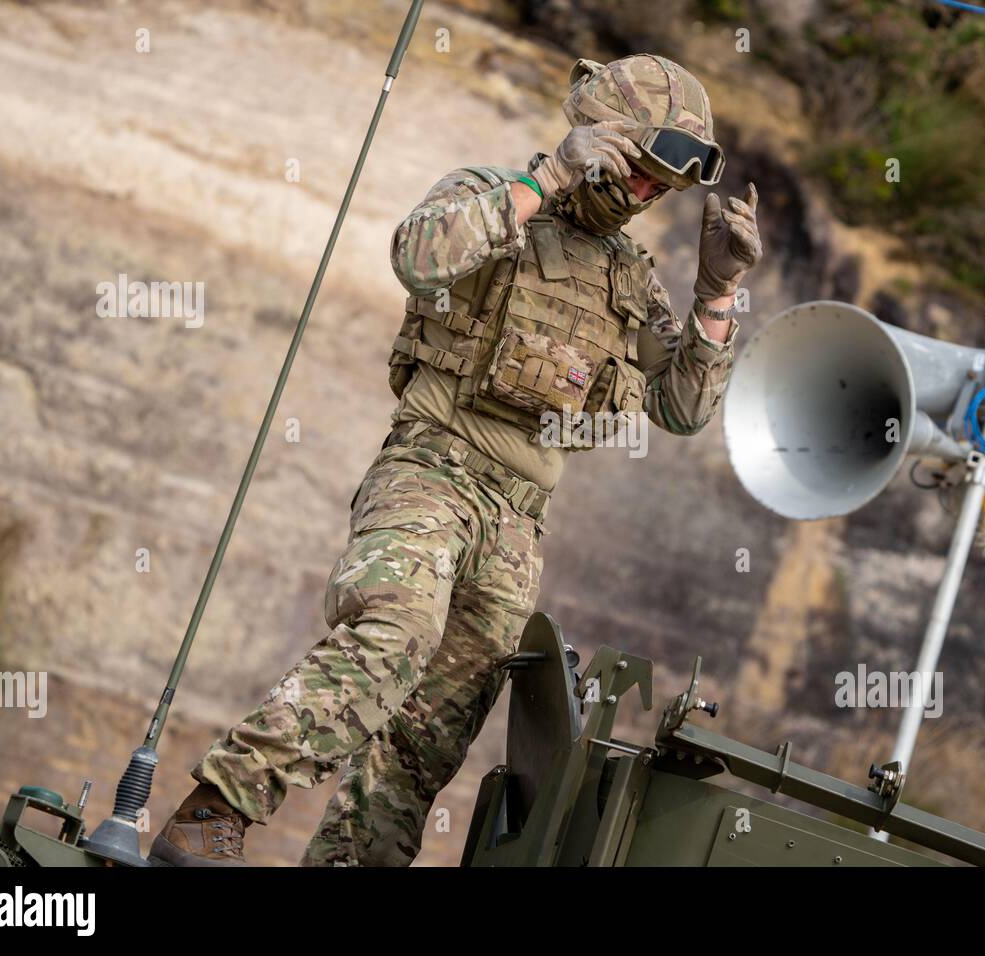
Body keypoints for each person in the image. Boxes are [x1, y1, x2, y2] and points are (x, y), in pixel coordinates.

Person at [147, 53, 762, 866]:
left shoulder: (629, 278)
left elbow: (680, 409)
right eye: (641, 174)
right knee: (396, 632)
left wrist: (717, 295)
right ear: (603, 139)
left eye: (662, 188)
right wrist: (546, 179)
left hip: (518, 524)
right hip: (434, 468)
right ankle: (212, 811)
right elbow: (418, 256)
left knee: (428, 736)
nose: (647, 196)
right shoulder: (493, 196)